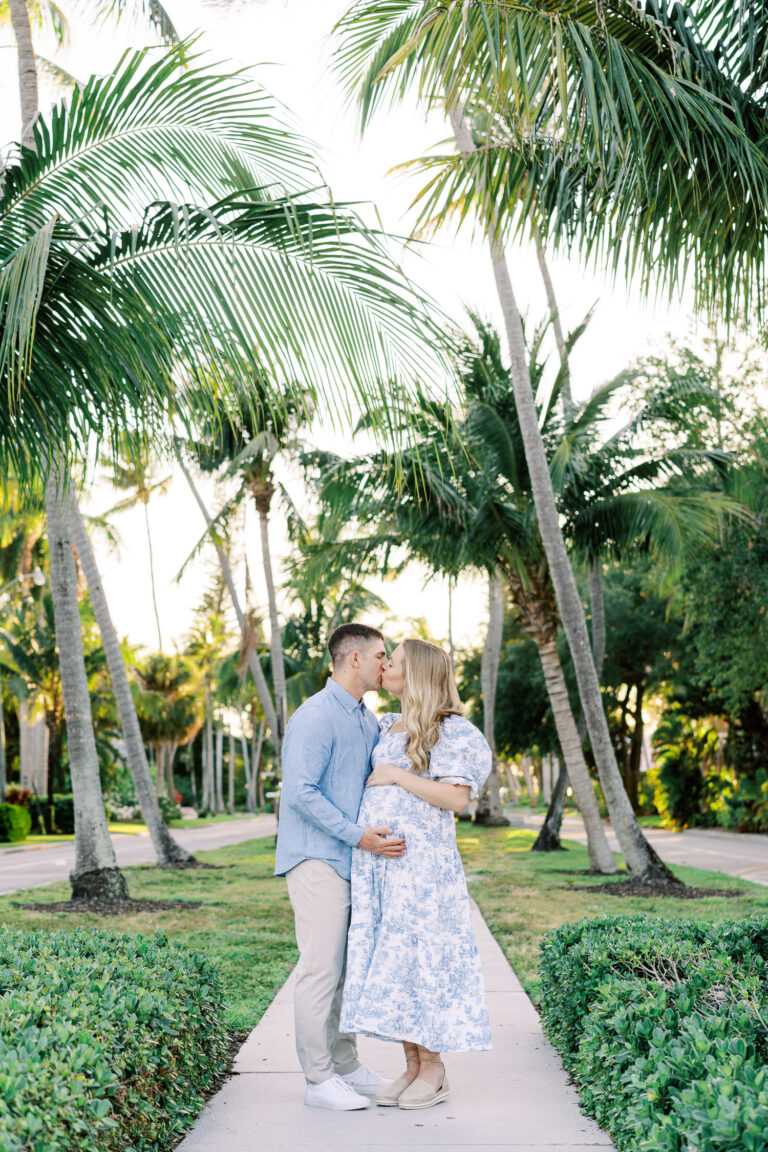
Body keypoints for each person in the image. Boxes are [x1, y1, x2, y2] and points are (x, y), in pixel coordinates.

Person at [340, 637, 492, 1110]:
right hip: (381, 871)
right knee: (395, 964)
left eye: (395, 661)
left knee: (423, 962)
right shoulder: (387, 726)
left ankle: (435, 1068)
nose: (384, 667)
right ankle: (411, 1065)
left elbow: (457, 799)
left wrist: (396, 776)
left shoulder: (455, 731)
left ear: (419, 673)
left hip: (422, 872)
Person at [274, 622, 407, 1111]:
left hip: (352, 862)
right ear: (354, 659)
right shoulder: (314, 716)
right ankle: (318, 1079)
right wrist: (359, 836)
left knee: (347, 972)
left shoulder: (364, 718)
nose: (385, 665)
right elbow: (301, 792)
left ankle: (346, 1064)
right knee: (320, 969)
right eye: (380, 657)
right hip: (316, 858)